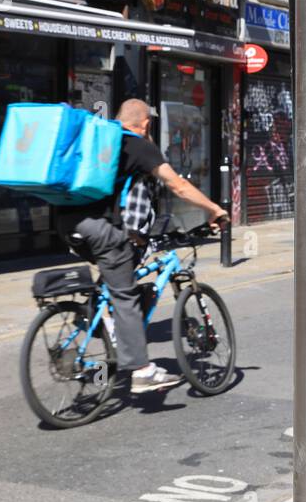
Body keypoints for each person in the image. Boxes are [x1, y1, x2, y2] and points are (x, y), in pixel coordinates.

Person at [56, 98, 229, 392]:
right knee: (126, 297)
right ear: (146, 123)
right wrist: (214, 209)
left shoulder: (102, 142)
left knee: (112, 279)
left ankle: (96, 329)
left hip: (67, 223)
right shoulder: (137, 145)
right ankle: (141, 370)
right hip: (101, 229)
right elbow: (178, 186)